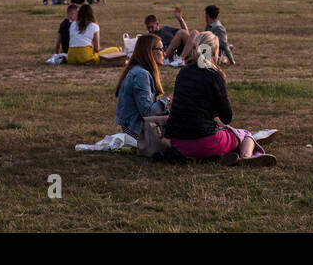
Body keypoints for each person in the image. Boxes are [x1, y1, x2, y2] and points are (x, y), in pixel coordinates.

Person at [163, 32, 273, 166]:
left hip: (177, 142)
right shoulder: (214, 76)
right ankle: (246, 157)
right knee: (243, 134)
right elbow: (227, 117)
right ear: (214, 52)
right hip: (204, 142)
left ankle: (227, 155)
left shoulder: (183, 72)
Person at [115, 34, 170, 138]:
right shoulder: (141, 75)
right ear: (150, 52)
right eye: (161, 49)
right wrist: (169, 99)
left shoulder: (138, 71)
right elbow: (148, 113)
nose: (164, 53)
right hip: (137, 131)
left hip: (134, 128)